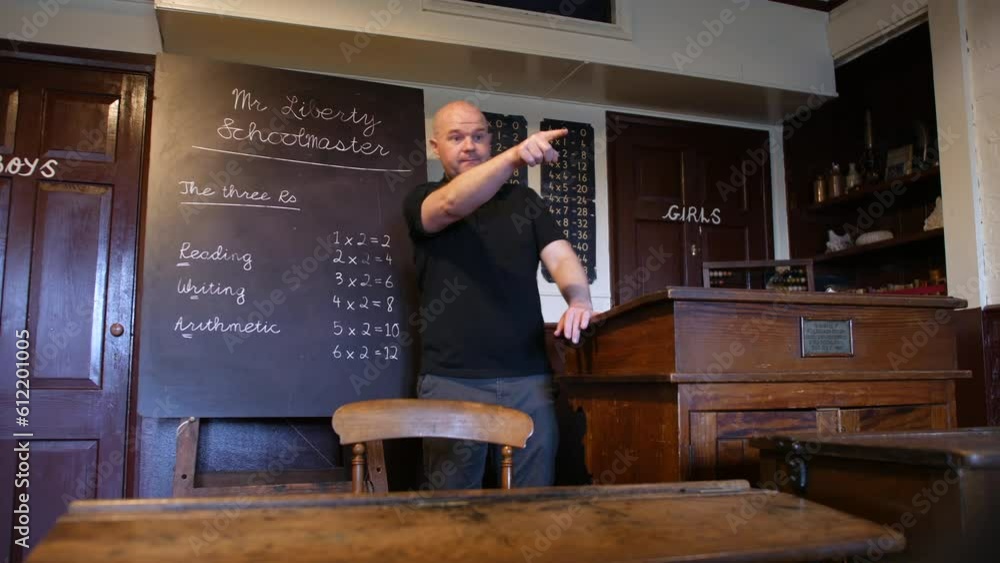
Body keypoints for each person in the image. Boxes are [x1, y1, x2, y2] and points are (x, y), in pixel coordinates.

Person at [402, 101, 593, 489]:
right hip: (451, 381)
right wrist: (516, 156)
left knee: (531, 504)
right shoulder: (422, 199)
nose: (469, 146)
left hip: (529, 380)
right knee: (451, 512)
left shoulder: (524, 203)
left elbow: (560, 257)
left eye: (477, 136)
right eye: (456, 138)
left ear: (489, 140)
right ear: (436, 147)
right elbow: (454, 202)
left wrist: (580, 300)